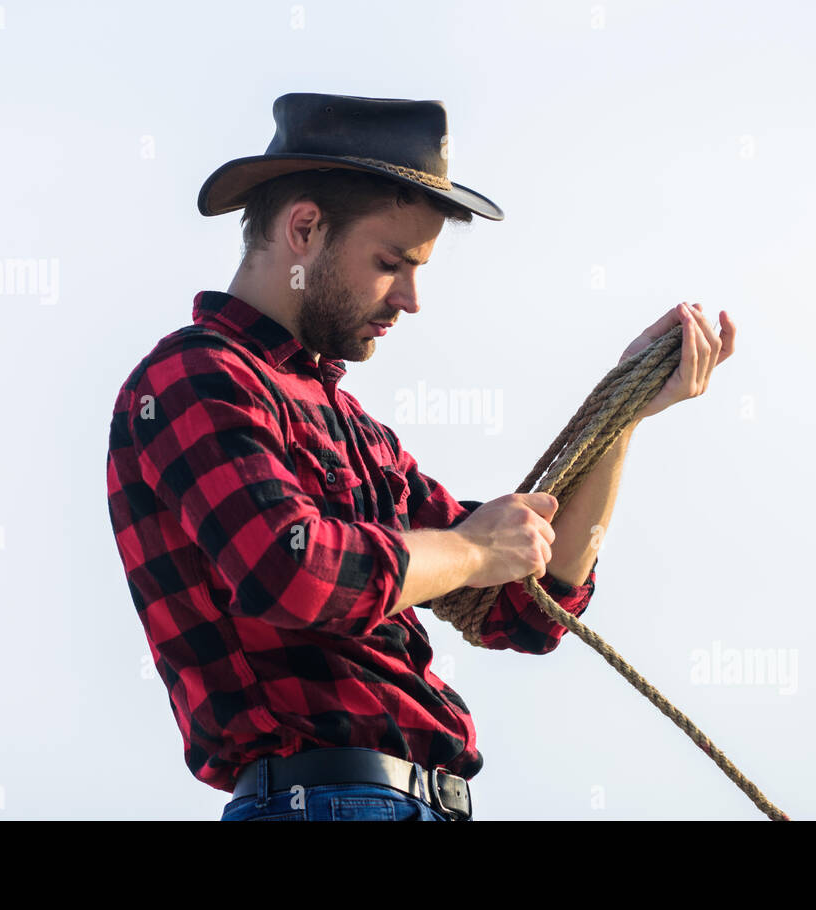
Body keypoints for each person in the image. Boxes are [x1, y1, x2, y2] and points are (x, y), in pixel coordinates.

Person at [105, 93, 735, 821]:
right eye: (391, 263)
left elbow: (526, 609)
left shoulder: (356, 430)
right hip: (324, 802)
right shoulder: (193, 377)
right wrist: (470, 549)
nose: (410, 298)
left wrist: (621, 419)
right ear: (305, 229)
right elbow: (291, 572)